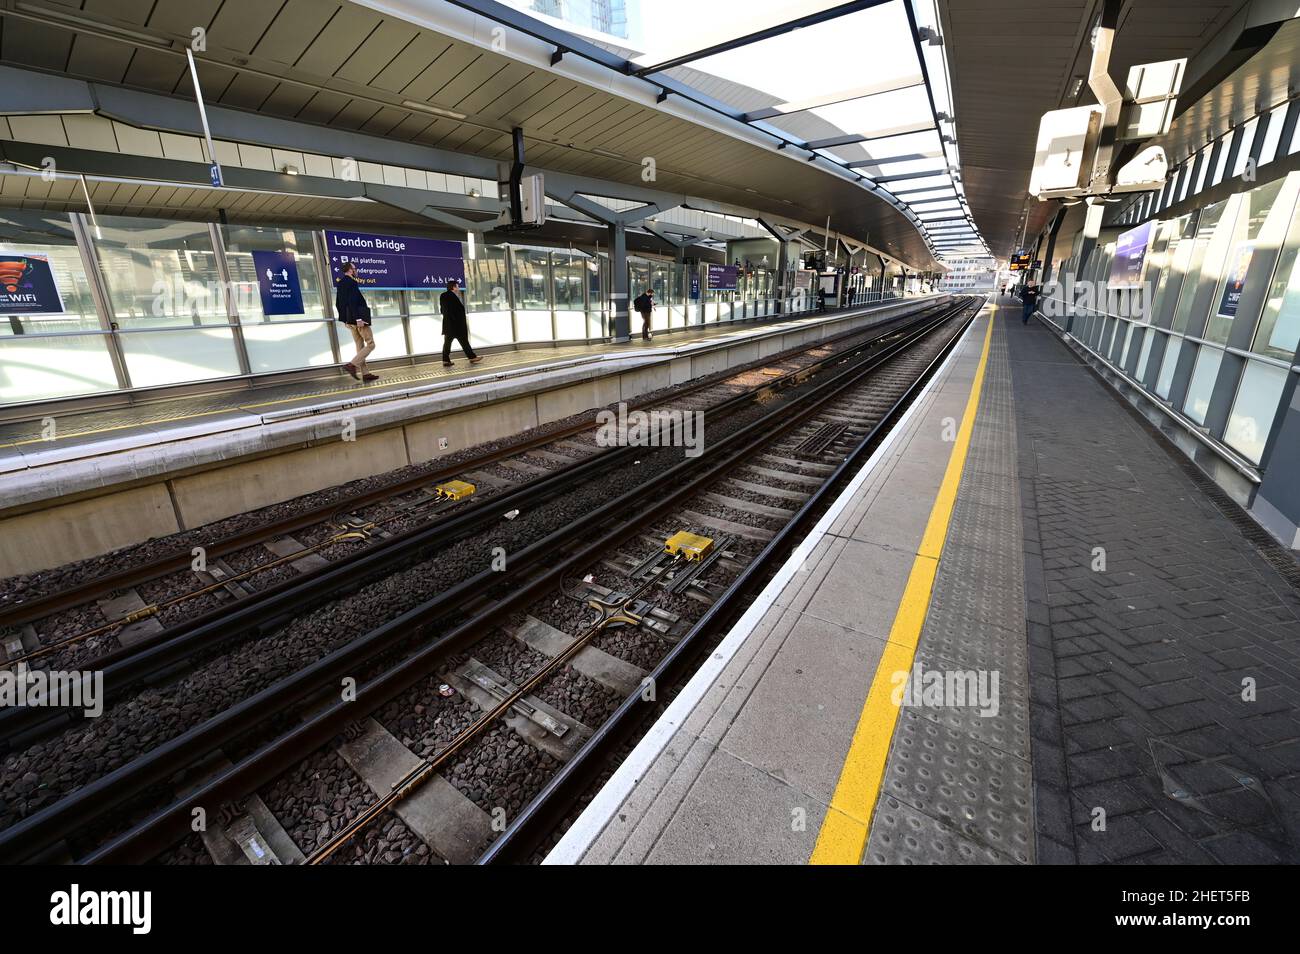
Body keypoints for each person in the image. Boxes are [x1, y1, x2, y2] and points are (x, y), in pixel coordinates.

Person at [335, 262, 378, 382]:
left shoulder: (340, 283)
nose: (356, 270)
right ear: (350, 270)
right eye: (354, 268)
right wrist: (358, 319)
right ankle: (352, 365)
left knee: (359, 346)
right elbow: (353, 302)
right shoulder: (352, 282)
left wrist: (345, 320)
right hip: (358, 320)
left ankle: (365, 374)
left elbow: (338, 303)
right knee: (371, 344)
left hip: (349, 320)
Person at [440, 279, 482, 367]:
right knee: (462, 341)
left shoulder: (444, 296)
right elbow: (451, 311)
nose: (458, 288)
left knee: (448, 343)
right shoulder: (450, 296)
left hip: (449, 325)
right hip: (455, 325)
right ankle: (471, 357)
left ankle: (445, 360)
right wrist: (456, 322)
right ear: (453, 287)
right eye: (457, 286)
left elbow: (443, 310)